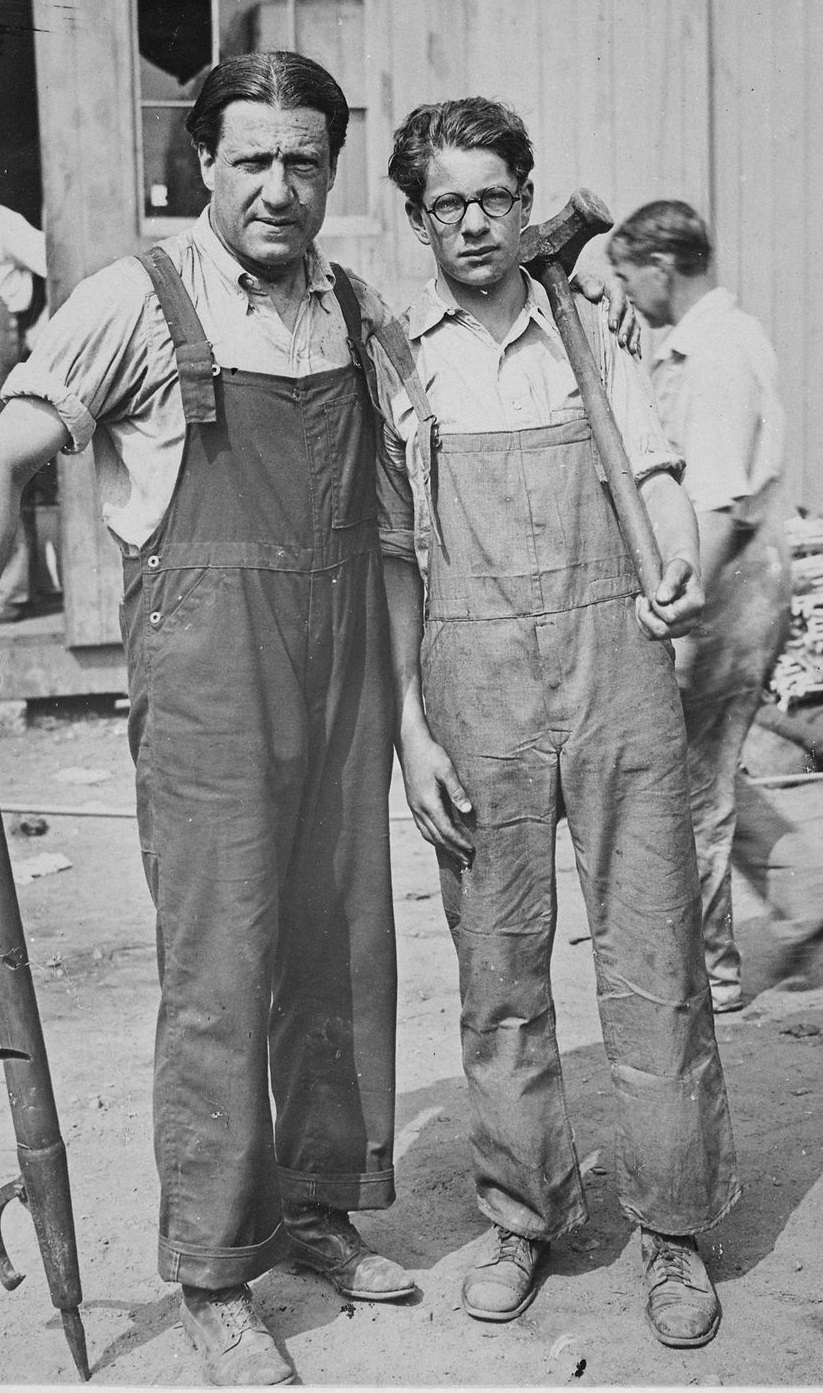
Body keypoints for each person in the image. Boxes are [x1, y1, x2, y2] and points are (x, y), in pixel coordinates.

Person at [0, 53, 635, 1387]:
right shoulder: (137, 297)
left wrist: (409, 721)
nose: (279, 187)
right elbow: (15, 431)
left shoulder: (356, 309)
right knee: (222, 969)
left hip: (347, 670)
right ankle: (214, 1270)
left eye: (303, 160)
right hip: (210, 685)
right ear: (201, 166)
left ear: (329, 169)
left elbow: (409, 514)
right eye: (251, 161)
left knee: (344, 947)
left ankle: (319, 1211)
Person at [373, 98, 740, 1350]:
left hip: (613, 659)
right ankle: (526, 1212)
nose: (472, 222)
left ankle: (674, 1224)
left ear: (526, 203)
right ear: (417, 218)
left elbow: (648, 470)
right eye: (445, 203)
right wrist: (412, 728)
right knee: (499, 966)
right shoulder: (397, 354)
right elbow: (391, 556)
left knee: (652, 953)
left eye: (492, 196)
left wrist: (675, 555)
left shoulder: (590, 325)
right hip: (470, 676)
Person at [608, 200, 823, 1011]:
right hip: (734, 576)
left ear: (662, 266)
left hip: (727, 581)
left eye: (628, 274)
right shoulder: (703, 343)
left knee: (688, 783)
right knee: (708, 770)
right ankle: (803, 897)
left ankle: (713, 971)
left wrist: (683, 602)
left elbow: (720, 500)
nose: (627, 292)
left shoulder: (717, 354)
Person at [0, 204, 48, 622]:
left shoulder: (3, 222)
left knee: (5, 463)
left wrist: (42, 329)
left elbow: (59, 259)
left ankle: (9, 592)